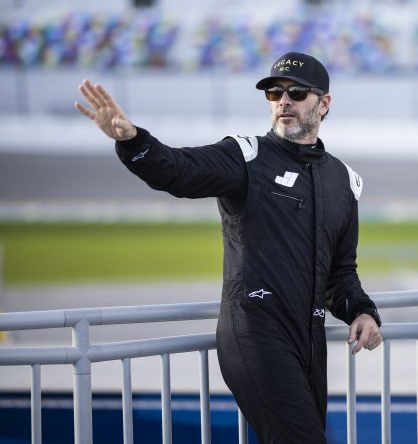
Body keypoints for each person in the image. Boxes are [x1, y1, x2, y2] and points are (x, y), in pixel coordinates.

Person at [75, 52, 383, 443]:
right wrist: (132, 140)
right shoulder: (246, 154)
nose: (283, 101)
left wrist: (362, 311)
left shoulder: (346, 181)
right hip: (256, 331)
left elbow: (340, 273)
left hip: (310, 340)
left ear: (323, 104)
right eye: (273, 93)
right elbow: (176, 169)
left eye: (297, 92)